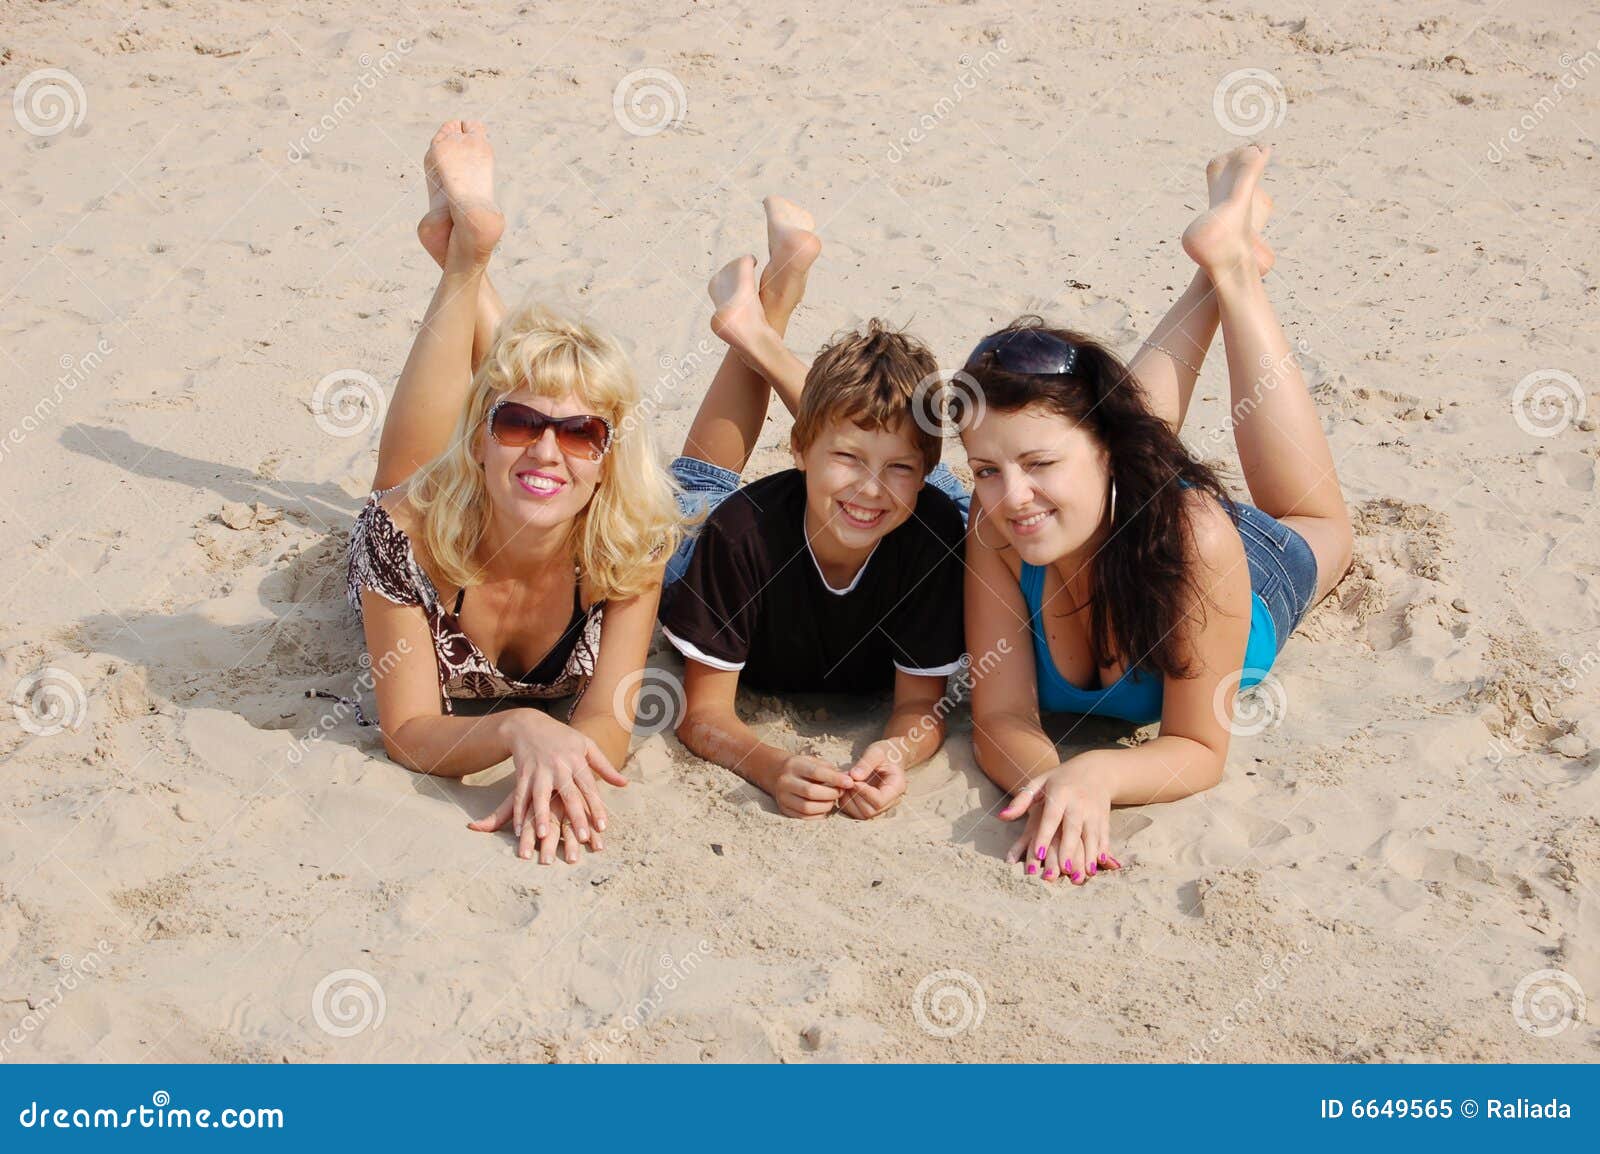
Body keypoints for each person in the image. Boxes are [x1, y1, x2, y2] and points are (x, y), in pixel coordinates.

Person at [960, 144, 1354, 884]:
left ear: (1105, 458)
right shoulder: (998, 528)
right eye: (986, 469)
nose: (1010, 496)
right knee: (1103, 433)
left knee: (1324, 525)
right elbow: (1000, 719)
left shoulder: (1198, 538)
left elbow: (1200, 748)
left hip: (1241, 574)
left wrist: (1101, 775)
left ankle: (1233, 276)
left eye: (1037, 465)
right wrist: (1053, 783)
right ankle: (1218, 255)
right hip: (1113, 499)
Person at [345, 121, 681, 865]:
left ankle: (469, 254)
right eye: (519, 424)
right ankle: (463, 268)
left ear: (609, 453)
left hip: (508, 487)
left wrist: (569, 776)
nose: (547, 450)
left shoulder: (634, 545)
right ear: (481, 436)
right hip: (448, 504)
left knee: (536, 392)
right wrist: (519, 729)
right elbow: (406, 731)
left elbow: (607, 723)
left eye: (581, 434)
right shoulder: (403, 537)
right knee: (402, 475)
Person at [658, 198, 970, 821]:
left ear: (927, 474)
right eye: (850, 460)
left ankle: (759, 316)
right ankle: (761, 316)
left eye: (903, 468)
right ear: (794, 445)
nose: (872, 487)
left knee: (866, 437)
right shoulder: (739, 534)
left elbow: (919, 707)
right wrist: (768, 765)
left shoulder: (933, 533)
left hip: (890, 504)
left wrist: (895, 751)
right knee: (698, 487)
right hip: (718, 534)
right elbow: (705, 713)